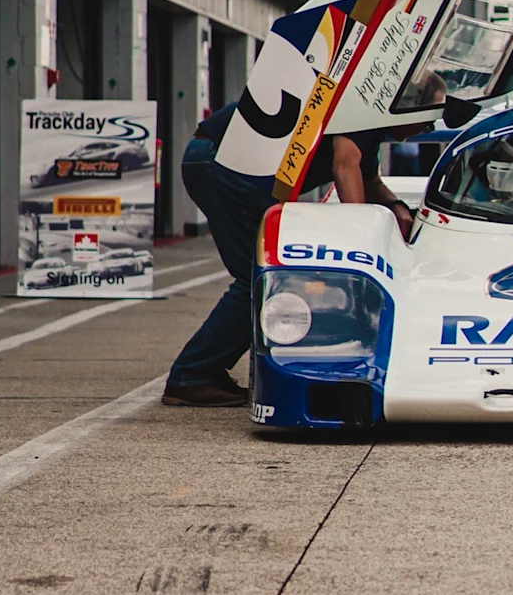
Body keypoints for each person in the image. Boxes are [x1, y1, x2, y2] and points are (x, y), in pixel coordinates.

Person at [161, 79, 444, 407]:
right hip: (221, 159)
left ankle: (200, 371)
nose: (429, 127)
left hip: (218, 155)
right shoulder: (365, 107)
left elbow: (369, 180)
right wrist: (361, 233)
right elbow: (344, 164)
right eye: (428, 117)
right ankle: (192, 375)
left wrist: (397, 208)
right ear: (407, 104)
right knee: (259, 279)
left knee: (261, 278)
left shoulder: (370, 118)